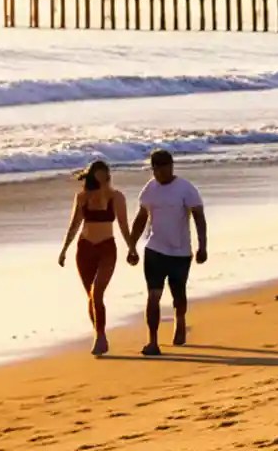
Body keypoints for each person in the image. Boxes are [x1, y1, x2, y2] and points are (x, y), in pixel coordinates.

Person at [130, 149, 207, 356]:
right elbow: (141, 217)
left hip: (180, 252)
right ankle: (152, 342)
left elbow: (199, 216)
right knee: (153, 295)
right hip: (155, 249)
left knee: (178, 293)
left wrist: (202, 246)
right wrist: (131, 245)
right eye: (157, 169)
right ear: (153, 169)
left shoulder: (185, 188)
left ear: (171, 166)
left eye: (165, 168)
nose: (161, 173)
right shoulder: (149, 189)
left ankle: (180, 320)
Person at [58, 160, 136, 356]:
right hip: (84, 249)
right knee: (91, 297)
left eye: (105, 174)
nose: (101, 178)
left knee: (97, 292)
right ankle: (99, 335)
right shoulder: (82, 197)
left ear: (108, 175)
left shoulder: (116, 197)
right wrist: (64, 249)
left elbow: (124, 226)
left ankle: (100, 337)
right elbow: (74, 224)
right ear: (92, 175)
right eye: (98, 174)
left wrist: (132, 248)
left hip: (107, 249)